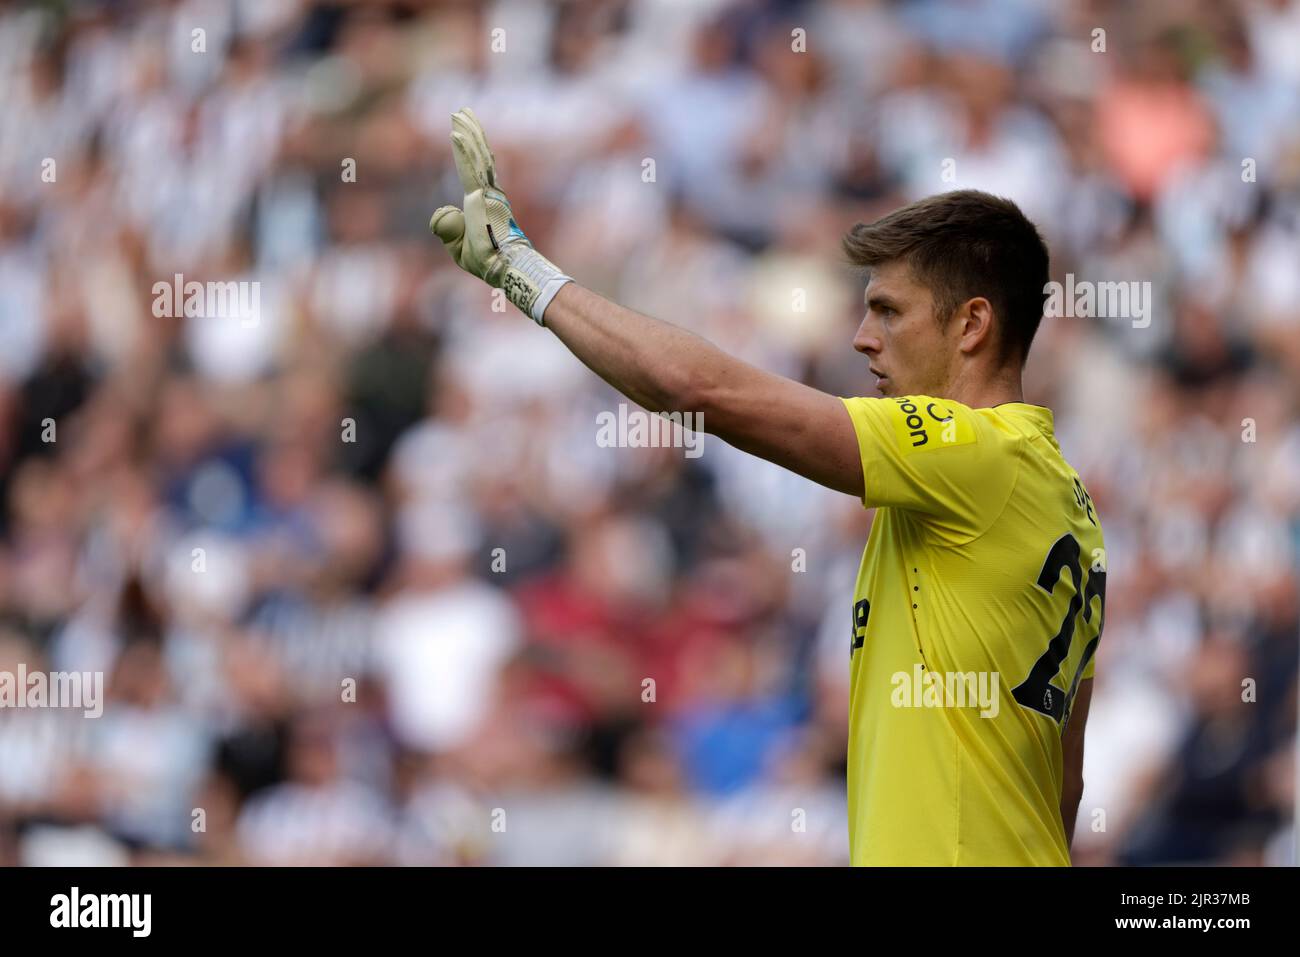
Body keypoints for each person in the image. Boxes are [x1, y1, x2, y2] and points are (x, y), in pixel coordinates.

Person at [429, 108, 1106, 866]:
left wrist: (523, 270)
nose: (862, 337)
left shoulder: (972, 453)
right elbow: (1064, 789)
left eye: (888, 310)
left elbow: (697, 389)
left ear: (972, 324)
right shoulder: (1067, 508)